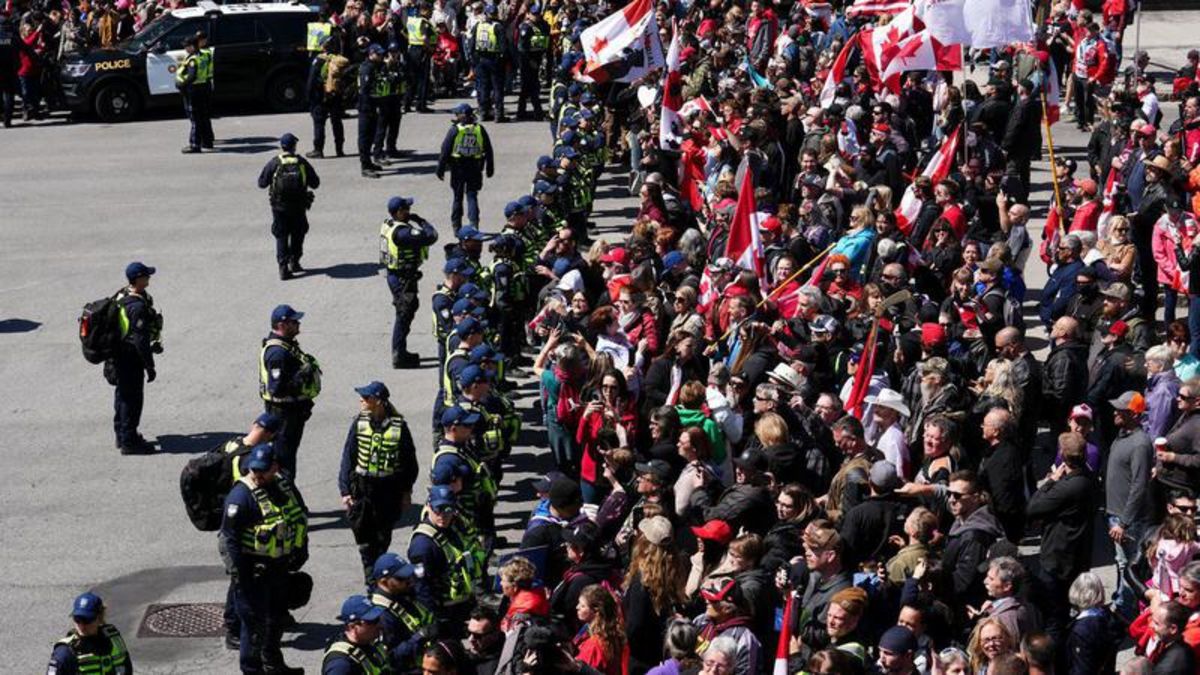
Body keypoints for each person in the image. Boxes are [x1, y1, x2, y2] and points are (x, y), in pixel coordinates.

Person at [220, 444, 308, 675]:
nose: (257, 475)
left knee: (277, 619)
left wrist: (300, 550)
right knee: (254, 627)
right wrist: (241, 577)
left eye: (263, 471)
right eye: (254, 470)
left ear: (275, 467)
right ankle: (252, 670)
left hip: (279, 567)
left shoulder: (283, 484)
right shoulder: (240, 497)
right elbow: (229, 540)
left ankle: (273, 663)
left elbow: (299, 515)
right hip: (254, 573)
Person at [338, 381, 418, 581]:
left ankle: (378, 578)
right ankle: (372, 582)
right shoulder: (359, 423)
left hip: (388, 490)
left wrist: (406, 491)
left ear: (379, 402)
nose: (361, 401)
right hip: (362, 490)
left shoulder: (399, 427)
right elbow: (348, 457)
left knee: (382, 539)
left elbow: (409, 462)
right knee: (365, 542)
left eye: (366, 398)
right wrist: (345, 491)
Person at [1026, 432, 1097, 642]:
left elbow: (1033, 508)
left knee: (1053, 617)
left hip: (1058, 558)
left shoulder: (1068, 487)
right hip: (1075, 554)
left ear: (1062, 455)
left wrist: (1051, 481)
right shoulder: (1089, 478)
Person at [408, 486, 482, 638]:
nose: (443, 515)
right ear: (428, 507)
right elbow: (421, 586)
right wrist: (436, 619)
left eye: (449, 510)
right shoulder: (422, 546)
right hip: (444, 611)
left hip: (463, 604)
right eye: (438, 509)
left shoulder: (452, 526)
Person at [1107, 391, 1155, 621]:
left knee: (1128, 565)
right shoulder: (1123, 435)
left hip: (1128, 520)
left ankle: (1126, 614)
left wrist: (1124, 522)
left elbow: (1139, 485)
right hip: (1117, 514)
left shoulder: (1140, 444)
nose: (1115, 412)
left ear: (1135, 415)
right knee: (1121, 562)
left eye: (1121, 410)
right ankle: (1121, 601)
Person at [259, 304, 321, 477]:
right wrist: (301, 377)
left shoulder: (285, 346)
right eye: (294, 322)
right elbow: (277, 388)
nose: (298, 324)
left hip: (291, 412)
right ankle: (286, 497)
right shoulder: (278, 353)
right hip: (283, 415)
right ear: (282, 325)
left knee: (287, 456)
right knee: (284, 461)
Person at [108, 261, 162, 455]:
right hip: (129, 357)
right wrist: (150, 366)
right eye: (146, 276)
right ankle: (129, 442)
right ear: (138, 279)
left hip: (117, 354)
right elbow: (140, 340)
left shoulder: (121, 294)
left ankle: (121, 435)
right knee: (132, 399)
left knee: (121, 396)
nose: (149, 278)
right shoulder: (137, 306)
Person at [379, 196, 439, 368]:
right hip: (402, 278)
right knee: (403, 314)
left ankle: (401, 350)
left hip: (397, 276)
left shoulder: (389, 224)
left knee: (407, 311)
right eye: (406, 209)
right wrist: (421, 221)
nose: (409, 211)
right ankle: (399, 355)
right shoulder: (402, 233)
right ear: (398, 212)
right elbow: (431, 236)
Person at [257, 133, 320, 280]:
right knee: (298, 233)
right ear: (294, 146)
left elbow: (261, 183)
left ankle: (283, 267)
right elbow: (315, 183)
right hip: (299, 206)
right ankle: (295, 261)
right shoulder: (301, 162)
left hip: (279, 207)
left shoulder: (274, 162)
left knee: (281, 235)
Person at [368, 552, 436, 669]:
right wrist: (421, 636)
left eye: (409, 576)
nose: (409, 581)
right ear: (384, 582)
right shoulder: (382, 615)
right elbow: (392, 657)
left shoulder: (402, 595)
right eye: (401, 578)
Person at [437, 103, 495, 232]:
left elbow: (445, 150)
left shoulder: (455, 129)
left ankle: (456, 226)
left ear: (461, 115)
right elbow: (489, 150)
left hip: (458, 167)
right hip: (475, 166)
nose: (455, 116)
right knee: (472, 195)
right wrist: (490, 168)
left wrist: (440, 169)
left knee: (458, 197)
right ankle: (474, 224)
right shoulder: (479, 129)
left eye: (457, 114)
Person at [47, 593, 133, 675]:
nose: (81, 625)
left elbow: (126, 668)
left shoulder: (114, 639)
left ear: (99, 617)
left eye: (87, 620)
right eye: (77, 619)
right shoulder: (65, 652)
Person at [322, 594, 391, 675]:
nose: (380, 624)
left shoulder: (369, 641)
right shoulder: (340, 666)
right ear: (352, 627)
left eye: (378, 619)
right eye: (373, 621)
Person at [574, 584, 629, 675]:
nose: (577, 607)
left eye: (582, 606)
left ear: (596, 611)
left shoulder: (593, 645)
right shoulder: (614, 634)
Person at [305, 37, 346, 159]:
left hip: (320, 97)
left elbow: (311, 80)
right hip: (335, 96)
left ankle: (318, 150)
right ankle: (339, 149)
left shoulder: (319, 60)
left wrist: (308, 97)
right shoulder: (339, 60)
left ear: (323, 46)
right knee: (337, 122)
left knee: (319, 123)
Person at [468, 4, 506, 122]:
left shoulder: (478, 26)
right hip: (494, 60)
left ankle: (484, 112)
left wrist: (473, 61)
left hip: (480, 59)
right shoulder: (498, 26)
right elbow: (503, 47)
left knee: (484, 87)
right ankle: (498, 114)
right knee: (497, 88)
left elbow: (471, 44)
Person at [176, 31, 213, 153]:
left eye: (187, 46)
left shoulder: (192, 59)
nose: (185, 48)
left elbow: (192, 76)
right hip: (203, 87)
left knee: (195, 118)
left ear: (192, 46)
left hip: (194, 90)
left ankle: (194, 144)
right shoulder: (203, 55)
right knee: (203, 116)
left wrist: (181, 84)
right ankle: (207, 141)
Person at [357, 44, 388, 178]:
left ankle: (369, 162)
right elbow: (365, 89)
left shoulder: (376, 67)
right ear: (371, 54)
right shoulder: (367, 68)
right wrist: (370, 106)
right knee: (365, 137)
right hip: (366, 107)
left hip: (374, 106)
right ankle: (365, 166)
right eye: (379, 54)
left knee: (371, 136)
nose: (381, 57)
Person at [516, 6, 548, 120]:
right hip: (527, 61)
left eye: (538, 14)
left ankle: (525, 112)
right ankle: (534, 112)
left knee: (531, 87)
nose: (536, 16)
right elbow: (521, 47)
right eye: (534, 14)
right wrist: (530, 61)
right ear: (528, 14)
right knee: (529, 87)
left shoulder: (543, 25)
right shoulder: (526, 27)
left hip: (538, 59)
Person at [404, 2, 435, 113]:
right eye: (430, 11)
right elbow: (424, 38)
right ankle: (421, 105)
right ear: (424, 10)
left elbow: (404, 32)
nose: (431, 13)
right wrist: (430, 49)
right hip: (422, 51)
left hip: (412, 49)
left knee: (412, 79)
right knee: (423, 79)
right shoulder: (424, 22)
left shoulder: (411, 20)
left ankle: (406, 104)